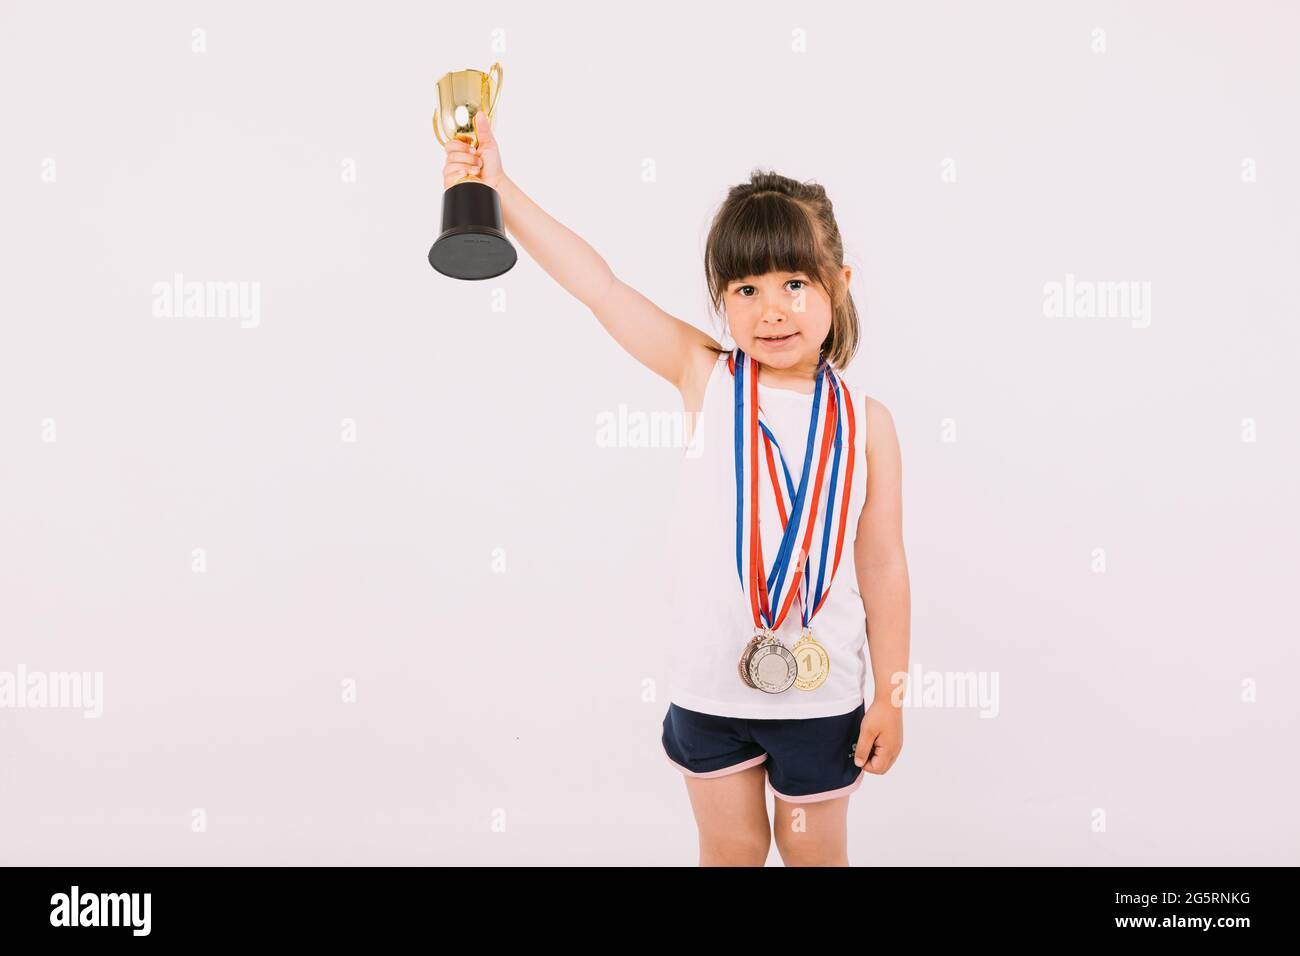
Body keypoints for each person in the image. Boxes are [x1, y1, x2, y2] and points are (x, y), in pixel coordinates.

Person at [441, 110, 910, 866]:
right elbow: (599, 285)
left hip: (822, 698)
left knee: (816, 858)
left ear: (840, 285)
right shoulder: (706, 375)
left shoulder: (868, 422)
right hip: (710, 692)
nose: (772, 309)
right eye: (746, 288)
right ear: (721, 300)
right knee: (729, 849)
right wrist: (500, 187)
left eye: (795, 282)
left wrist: (890, 691)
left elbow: (883, 563)